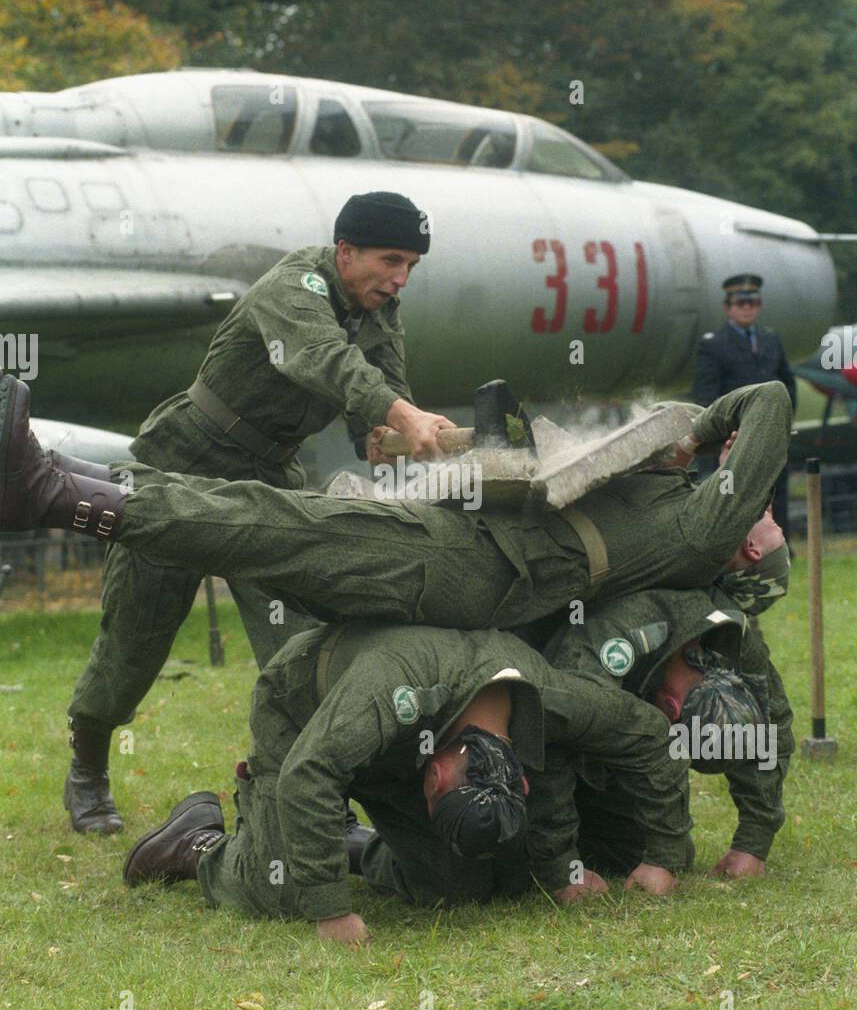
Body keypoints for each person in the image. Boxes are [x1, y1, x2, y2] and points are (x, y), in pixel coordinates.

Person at [60, 191, 454, 834]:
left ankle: (308, 800)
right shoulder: (295, 286)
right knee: (134, 640)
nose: (400, 278)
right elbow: (324, 360)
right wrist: (398, 413)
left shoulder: (382, 314)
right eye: (390, 260)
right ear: (345, 252)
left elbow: (382, 399)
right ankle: (88, 770)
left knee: (299, 646)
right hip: (183, 462)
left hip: (270, 478)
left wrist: (392, 435)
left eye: (411, 264)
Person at [1, 379, 792, 651]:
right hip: (469, 543)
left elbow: (767, 400)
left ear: (748, 557)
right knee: (262, 514)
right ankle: (51, 477)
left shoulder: (703, 538)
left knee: (266, 524)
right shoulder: (680, 505)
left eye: (771, 529)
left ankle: (44, 492)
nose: (766, 518)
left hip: (470, 567)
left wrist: (700, 433)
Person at [120, 621, 695, 943]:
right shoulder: (390, 689)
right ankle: (199, 846)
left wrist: (661, 857)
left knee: (458, 885)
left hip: (401, 744)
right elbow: (308, 772)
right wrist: (330, 911)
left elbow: (650, 735)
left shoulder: (553, 699)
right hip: (307, 717)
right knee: (283, 893)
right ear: (439, 774)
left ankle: (340, 839)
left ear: (518, 779)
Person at [542, 580, 793, 887]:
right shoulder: (612, 643)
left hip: (603, 746)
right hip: (527, 716)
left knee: (639, 853)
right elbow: (550, 733)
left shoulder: (732, 644)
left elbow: (772, 727)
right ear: (671, 710)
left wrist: (752, 844)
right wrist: (563, 870)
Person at [692, 273, 797, 544]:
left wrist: (785, 422)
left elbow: (787, 383)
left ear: (759, 305)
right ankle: (741, 547)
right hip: (736, 436)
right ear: (727, 307)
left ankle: (779, 546)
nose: (747, 308)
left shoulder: (771, 339)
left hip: (772, 433)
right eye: (740, 303)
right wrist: (722, 437)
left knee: (777, 488)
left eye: (752, 302)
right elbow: (707, 395)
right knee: (737, 493)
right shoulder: (713, 343)